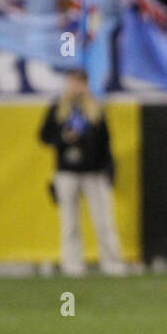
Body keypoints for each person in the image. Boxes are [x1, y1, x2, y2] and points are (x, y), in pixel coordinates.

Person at [38, 69, 124, 276]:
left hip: (93, 172)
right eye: (73, 83)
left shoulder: (94, 107)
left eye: (81, 83)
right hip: (67, 172)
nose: (77, 87)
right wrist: (62, 137)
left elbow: (106, 142)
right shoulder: (59, 107)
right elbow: (43, 136)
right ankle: (73, 265)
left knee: (103, 221)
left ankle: (112, 263)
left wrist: (109, 170)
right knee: (70, 223)